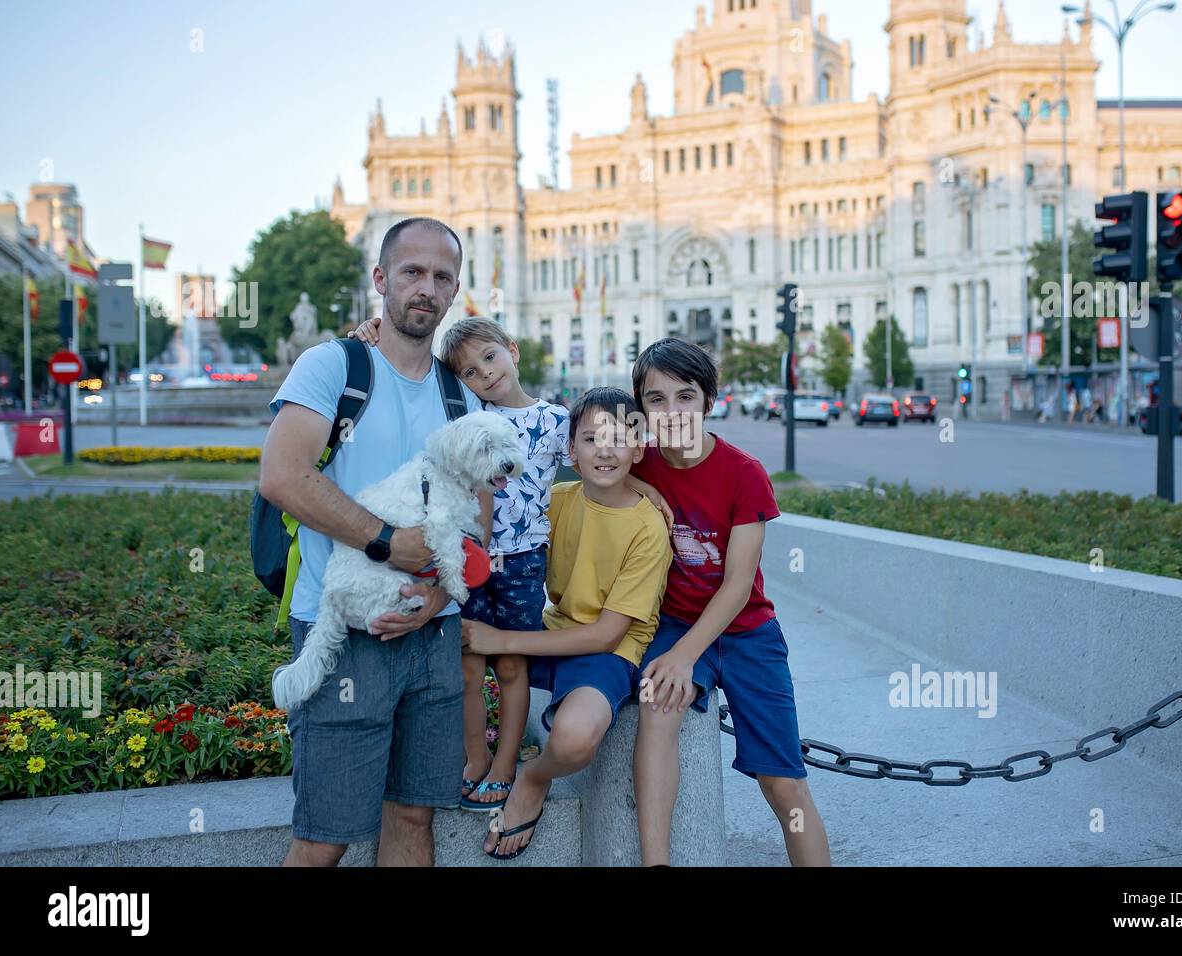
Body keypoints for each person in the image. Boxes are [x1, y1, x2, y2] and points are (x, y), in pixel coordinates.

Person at [260, 217, 491, 867]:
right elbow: (283, 476)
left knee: (414, 816)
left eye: (443, 277)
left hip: (433, 633)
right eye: (413, 272)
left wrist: (438, 594)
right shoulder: (333, 365)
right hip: (343, 634)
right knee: (325, 836)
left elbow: (478, 523)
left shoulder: (460, 400)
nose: (428, 288)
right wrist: (391, 543)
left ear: (455, 291)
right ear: (382, 278)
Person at [625, 337, 832, 867]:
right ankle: (656, 861)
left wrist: (684, 655)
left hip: (746, 633)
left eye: (685, 396)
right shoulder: (637, 465)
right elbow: (563, 432)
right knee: (657, 707)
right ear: (640, 406)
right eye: (656, 399)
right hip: (675, 621)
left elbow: (738, 584)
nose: (672, 412)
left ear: (709, 401)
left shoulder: (744, 473)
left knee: (783, 784)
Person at [461, 387, 672, 859]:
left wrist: (500, 637)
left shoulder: (647, 527)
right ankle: (476, 761)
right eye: (593, 439)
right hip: (552, 631)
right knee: (458, 657)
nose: (606, 449)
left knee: (575, 739)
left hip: (605, 651)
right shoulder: (554, 502)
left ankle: (533, 777)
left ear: (639, 448)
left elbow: (606, 633)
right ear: (570, 450)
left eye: (620, 439)